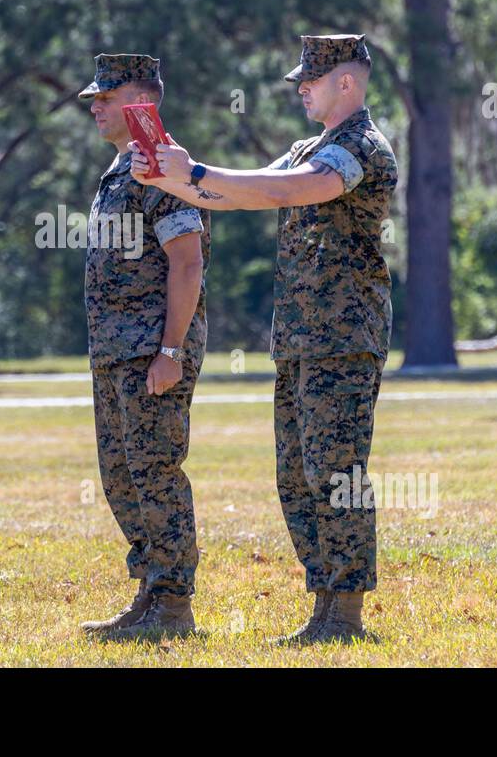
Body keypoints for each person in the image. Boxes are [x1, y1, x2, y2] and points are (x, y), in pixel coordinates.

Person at [131, 34, 397, 644]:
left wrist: (194, 171)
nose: (300, 88)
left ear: (347, 84)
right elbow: (237, 194)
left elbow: (288, 190)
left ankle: (346, 610)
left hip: (344, 337)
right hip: (302, 339)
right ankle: (324, 603)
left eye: (311, 79)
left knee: (336, 471)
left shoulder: (362, 148)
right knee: (296, 474)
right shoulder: (312, 146)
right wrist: (172, 172)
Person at [75, 54, 210, 640]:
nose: (96, 106)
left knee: (155, 472)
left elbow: (188, 263)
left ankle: (174, 607)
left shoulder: (162, 168)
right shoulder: (122, 168)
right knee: (122, 476)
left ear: (142, 99)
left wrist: (171, 352)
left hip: (152, 351)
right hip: (114, 351)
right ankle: (151, 591)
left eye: (107, 96)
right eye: (95, 98)